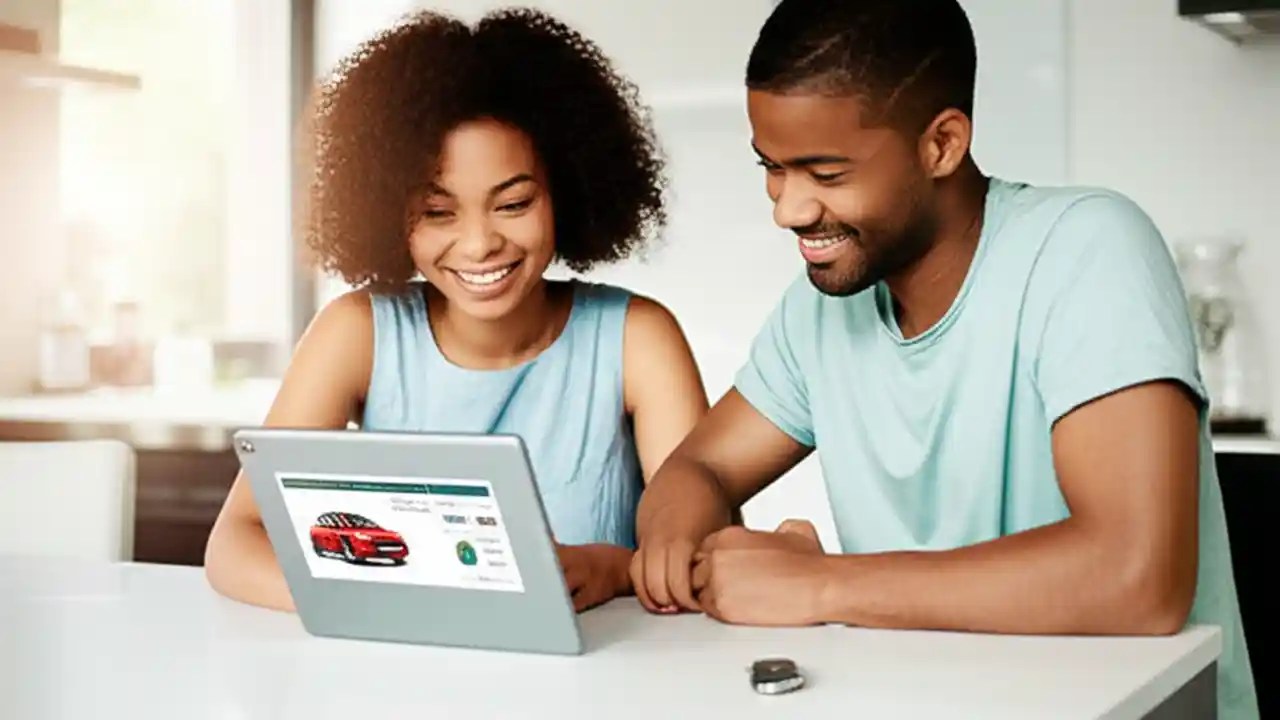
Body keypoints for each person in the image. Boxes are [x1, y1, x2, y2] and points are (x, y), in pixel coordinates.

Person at [629, 0, 1257, 717]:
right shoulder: (818, 312)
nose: (788, 209)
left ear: (942, 145)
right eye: (772, 168)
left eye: (825, 174)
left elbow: (1137, 579)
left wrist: (820, 585)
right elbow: (699, 468)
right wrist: (679, 539)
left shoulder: (1087, 248)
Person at [205, 8, 708, 614]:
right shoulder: (358, 333)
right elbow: (235, 543)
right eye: (439, 212)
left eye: (513, 203)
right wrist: (388, 607)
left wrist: (615, 569)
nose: (478, 245)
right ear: (389, 210)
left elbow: (704, 556)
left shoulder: (637, 339)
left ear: (567, 192)